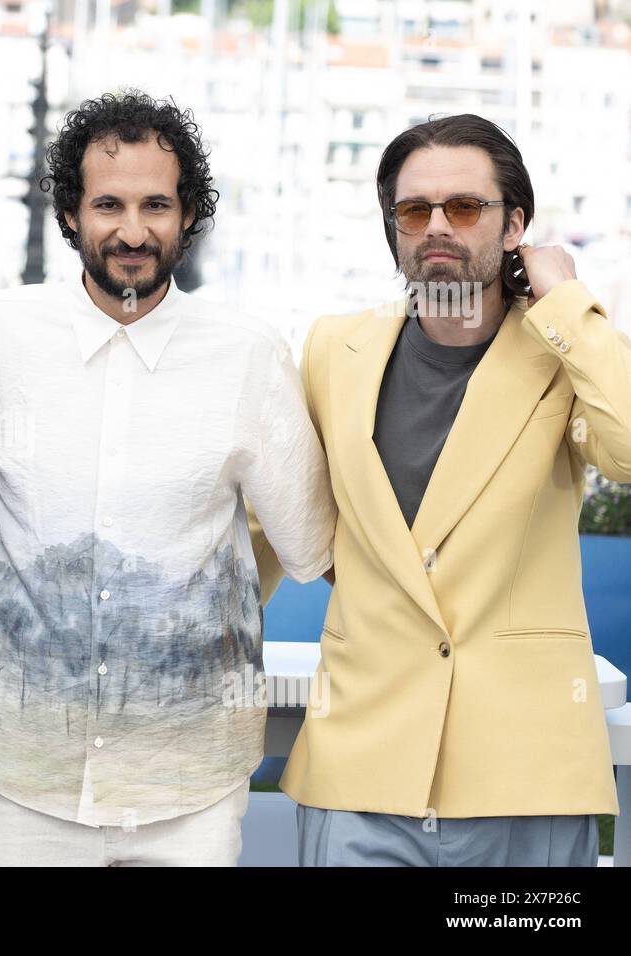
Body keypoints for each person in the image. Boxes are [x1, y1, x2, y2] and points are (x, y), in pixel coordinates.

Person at [0, 91, 336, 866]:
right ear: (70, 215)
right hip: (20, 779)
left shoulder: (250, 355)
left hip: (190, 780)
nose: (131, 230)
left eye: (157, 204)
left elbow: (308, 541)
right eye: (108, 204)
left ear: (189, 215)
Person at [260, 113, 631, 866]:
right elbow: (285, 519)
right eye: (413, 210)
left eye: (465, 208)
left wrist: (565, 303)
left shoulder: (560, 351)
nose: (436, 227)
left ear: (514, 224)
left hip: (524, 774)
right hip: (362, 766)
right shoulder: (336, 349)